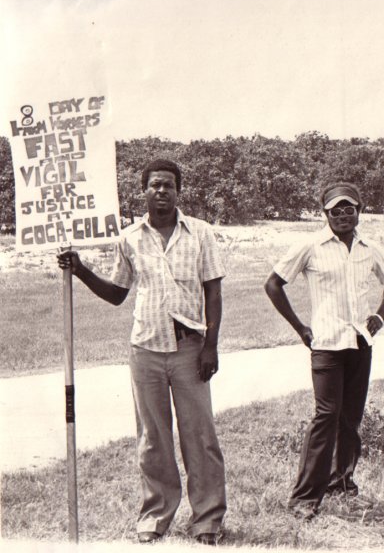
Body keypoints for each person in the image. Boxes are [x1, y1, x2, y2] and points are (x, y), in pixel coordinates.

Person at [57, 159, 227, 546]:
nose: (162, 191)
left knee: (199, 436)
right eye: (155, 185)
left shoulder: (199, 233)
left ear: (178, 191)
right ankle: (155, 515)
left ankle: (208, 520)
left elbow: (214, 292)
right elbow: (118, 294)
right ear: (144, 191)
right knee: (152, 438)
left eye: (169, 185)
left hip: (190, 348)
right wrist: (81, 269)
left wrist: (211, 346)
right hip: (145, 349)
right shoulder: (130, 237)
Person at [264, 182, 384, 520]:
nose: (342, 215)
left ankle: (341, 483)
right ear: (324, 213)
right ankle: (304, 498)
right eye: (335, 210)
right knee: (326, 417)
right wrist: (300, 328)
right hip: (325, 344)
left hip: (359, 344)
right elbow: (274, 284)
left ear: (359, 210)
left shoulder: (369, 247)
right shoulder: (310, 246)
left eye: (349, 208)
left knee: (350, 418)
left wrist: (379, 316)